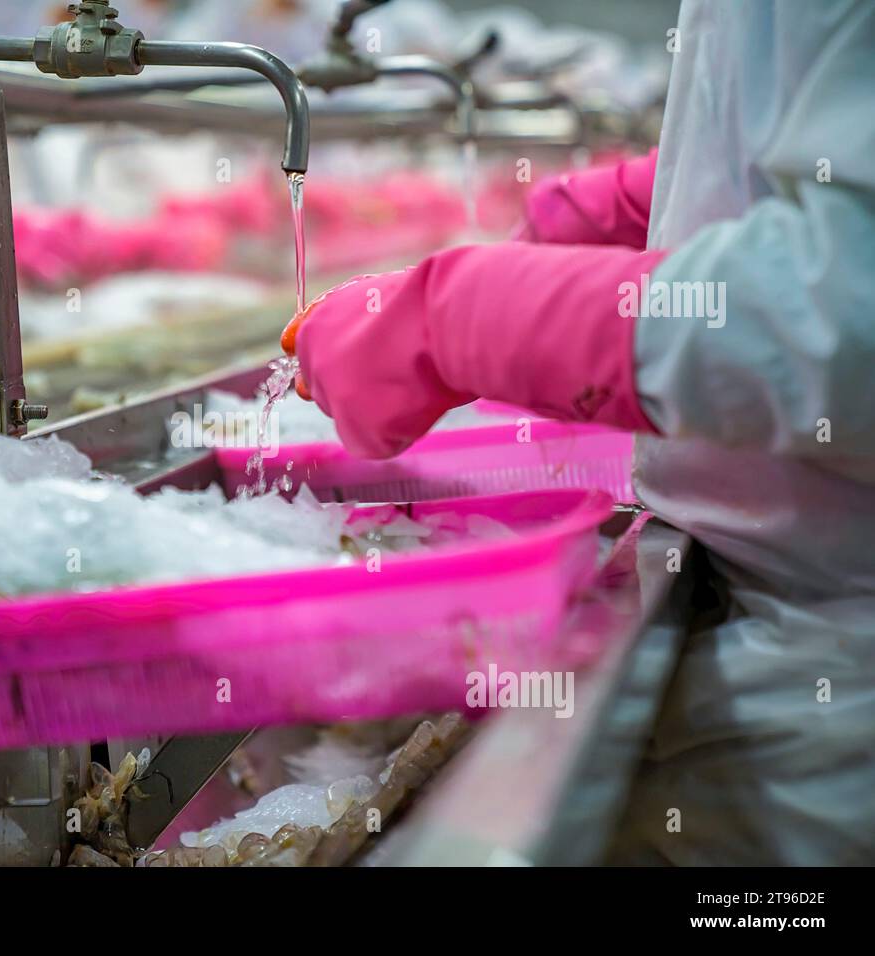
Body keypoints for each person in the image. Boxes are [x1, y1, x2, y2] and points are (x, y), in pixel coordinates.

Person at [283, 0, 875, 864]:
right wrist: (667, 195)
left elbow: (843, 313)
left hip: (837, 689)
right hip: (778, 621)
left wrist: (465, 320)